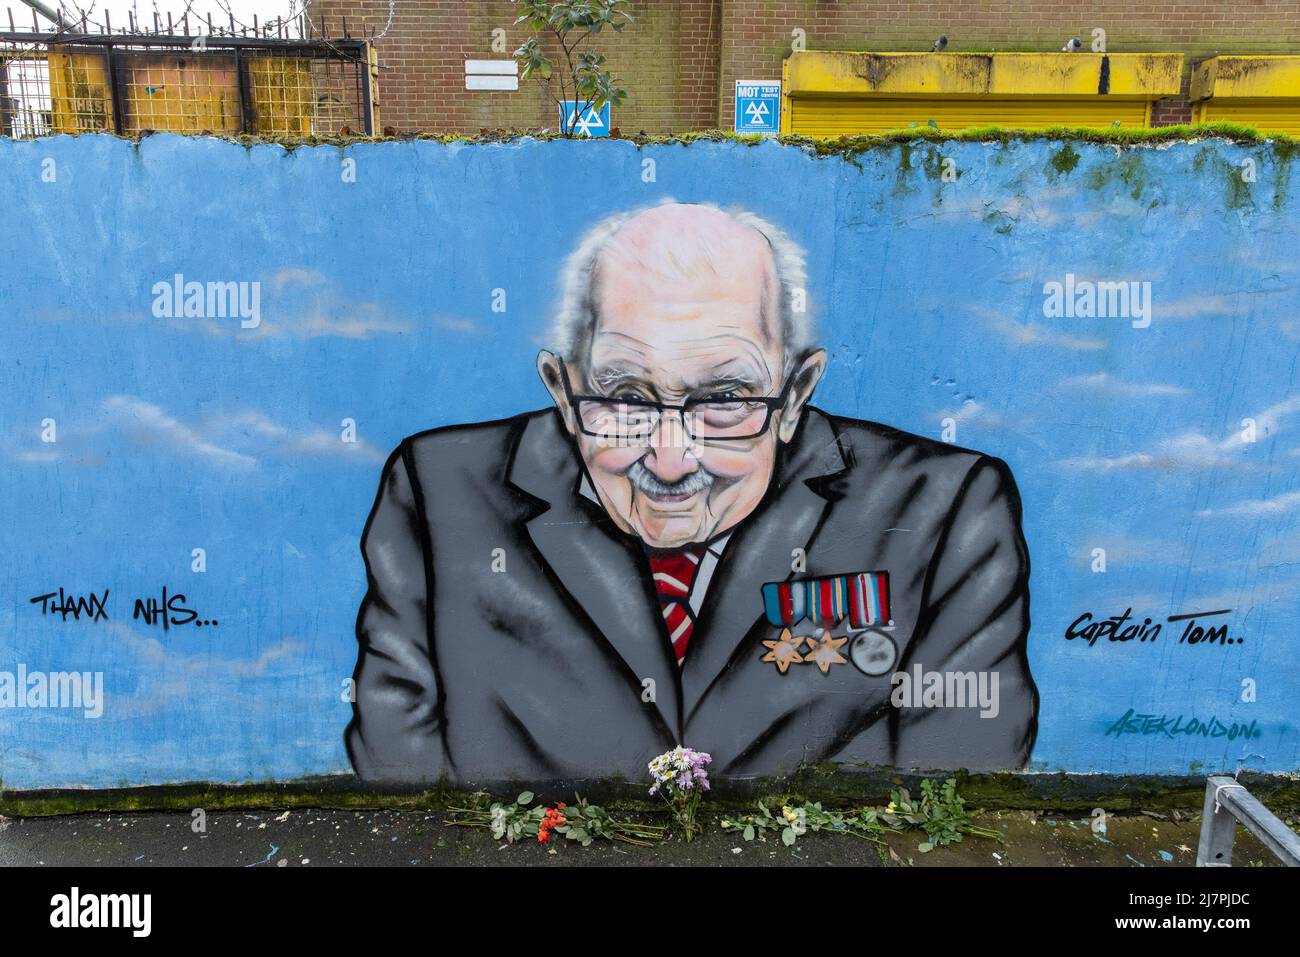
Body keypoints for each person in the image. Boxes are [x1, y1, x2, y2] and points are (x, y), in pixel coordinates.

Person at [345, 202, 1038, 785]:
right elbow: (399, 788)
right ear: (561, 389)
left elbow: (958, 794)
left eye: (727, 398)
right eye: (625, 398)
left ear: (796, 394)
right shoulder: (437, 496)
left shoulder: (946, 510)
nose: (672, 461)